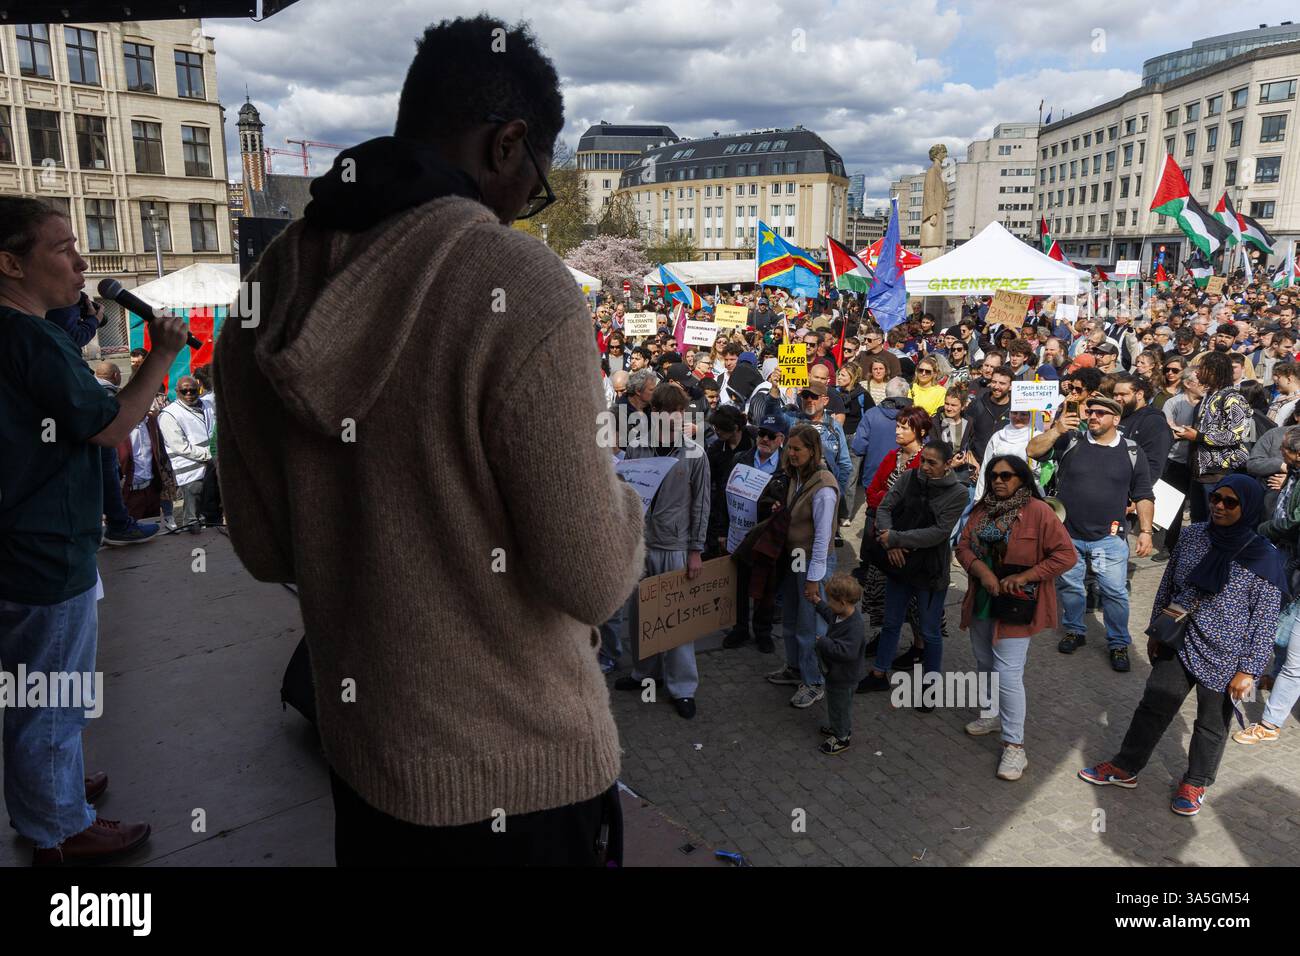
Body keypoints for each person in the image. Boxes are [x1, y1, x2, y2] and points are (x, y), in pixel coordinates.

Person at [214, 16, 644, 866]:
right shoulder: (518, 286)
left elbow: (263, 549)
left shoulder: (267, 289)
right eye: (538, 185)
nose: (526, 207)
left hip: (370, 765)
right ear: (507, 143)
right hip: (526, 782)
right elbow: (591, 578)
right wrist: (622, 499)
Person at [0, 195, 189, 864]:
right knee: (51, 689)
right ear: (11, 263)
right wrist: (160, 357)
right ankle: (59, 825)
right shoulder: (29, 338)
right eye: (63, 248)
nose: (82, 261)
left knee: (35, 684)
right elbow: (110, 425)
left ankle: (49, 790)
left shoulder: (24, 335)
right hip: (46, 549)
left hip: (22, 543)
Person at [1079, 475, 1285, 815]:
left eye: (1230, 502)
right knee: (1153, 706)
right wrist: (1156, 631)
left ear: (1247, 507)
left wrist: (1249, 670)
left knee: (1211, 724)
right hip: (1180, 638)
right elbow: (1168, 585)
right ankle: (1125, 767)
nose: (1219, 506)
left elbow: (1264, 621)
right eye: (1217, 498)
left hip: (1227, 656)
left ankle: (1196, 781)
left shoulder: (1265, 556)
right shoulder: (1192, 536)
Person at [957, 455, 1077, 781]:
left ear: (1022, 479)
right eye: (994, 475)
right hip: (982, 600)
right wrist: (982, 572)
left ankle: (1015, 746)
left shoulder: (1039, 512)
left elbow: (1066, 555)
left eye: (1007, 476)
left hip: (1017, 606)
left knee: (1008, 675)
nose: (999, 480)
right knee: (984, 661)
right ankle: (990, 713)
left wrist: (1026, 577)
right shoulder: (982, 509)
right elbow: (963, 545)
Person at [1026, 395, 1155, 672]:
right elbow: (1033, 450)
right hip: (1068, 535)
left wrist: (1146, 531)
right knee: (1070, 587)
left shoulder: (1132, 451)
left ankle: (1119, 643)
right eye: (1090, 411)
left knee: (1114, 593)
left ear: (1116, 420)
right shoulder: (1071, 440)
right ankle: (1075, 631)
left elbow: (1144, 493)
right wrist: (1057, 429)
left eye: (1101, 412)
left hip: (1110, 539)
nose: (1093, 416)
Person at [615, 384, 710, 719]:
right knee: (642, 616)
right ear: (652, 413)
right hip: (642, 545)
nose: (671, 420)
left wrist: (695, 550)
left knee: (675, 619)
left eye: (677, 414)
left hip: (675, 546)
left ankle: (683, 687)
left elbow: (701, 504)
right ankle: (645, 674)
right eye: (664, 414)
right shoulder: (637, 447)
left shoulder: (694, 452)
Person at [857, 440, 967, 699]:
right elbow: (885, 508)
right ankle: (879, 673)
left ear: (948, 464)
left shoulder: (959, 493)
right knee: (891, 622)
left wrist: (895, 539)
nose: (925, 467)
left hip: (930, 571)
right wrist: (889, 539)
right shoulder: (908, 478)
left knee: (930, 631)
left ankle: (930, 686)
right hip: (899, 565)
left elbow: (939, 533)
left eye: (932, 463)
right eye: (923, 461)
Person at [764, 423, 840, 710]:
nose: (791, 454)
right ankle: (795, 668)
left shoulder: (824, 486)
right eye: (790, 448)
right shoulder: (797, 476)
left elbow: (823, 536)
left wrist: (813, 579)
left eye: (797, 449)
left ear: (812, 450)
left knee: (812, 625)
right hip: (796, 559)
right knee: (793, 618)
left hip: (812, 562)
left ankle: (815, 681)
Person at [1240, 427, 1300, 743]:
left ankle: (1270, 724)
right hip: (1286, 561)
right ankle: (1268, 677)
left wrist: (1263, 530)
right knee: (1276, 631)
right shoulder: (1292, 474)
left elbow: (1289, 522)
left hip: (1292, 563)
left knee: (1291, 654)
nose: (1281, 458)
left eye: (1286, 452)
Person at [721, 411, 787, 654]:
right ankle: (739, 628)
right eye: (762, 433)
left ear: (781, 439)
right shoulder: (741, 459)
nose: (765, 439)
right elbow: (724, 495)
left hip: (769, 537)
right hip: (740, 533)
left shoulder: (786, 468)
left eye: (771, 436)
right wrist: (721, 529)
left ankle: (762, 631)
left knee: (767, 585)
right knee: (739, 583)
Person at [1171, 351, 1249, 523]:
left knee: (1214, 520)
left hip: (1218, 473)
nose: (1197, 373)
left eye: (1202, 368)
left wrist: (1198, 436)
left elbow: (1235, 435)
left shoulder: (1233, 398)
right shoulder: (1208, 396)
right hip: (1199, 471)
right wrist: (1186, 433)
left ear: (1214, 371)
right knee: (1198, 520)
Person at [811, 573, 867, 755]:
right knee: (835, 704)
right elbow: (829, 614)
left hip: (845, 676)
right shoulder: (840, 614)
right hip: (836, 674)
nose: (829, 604)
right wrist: (818, 603)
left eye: (830, 601)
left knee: (840, 706)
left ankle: (842, 736)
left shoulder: (855, 626)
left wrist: (823, 642)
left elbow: (847, 652)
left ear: (842, 602)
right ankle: (837, 726)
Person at [158, 375, 214, 534]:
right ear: (177, 392)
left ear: (199, 389)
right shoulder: (169, 414)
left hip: (213, 469)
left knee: (212, 514)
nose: (189, 393)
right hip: (192, 473)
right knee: (193, 519)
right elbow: (179, 446)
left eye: (192, 390)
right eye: (184, 391)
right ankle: (195, 553)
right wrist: (210, 455)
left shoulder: (208, 405)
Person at [1113, 371, 1173, 487]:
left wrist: (1136, 494)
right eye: (1115, 394)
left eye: (1123, 394)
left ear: (1139, 394)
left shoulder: (1154, 423)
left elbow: (1153, 466)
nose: (1117, 398)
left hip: (1128, 488)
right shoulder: (1118, 415)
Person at [964, 366, 1012, 463]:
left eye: (1002, 383)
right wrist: (970, 457)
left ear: (1010, 386)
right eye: (994, 382)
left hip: (1003, 465)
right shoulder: (977, 405)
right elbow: (964, 435)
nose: (996, 386)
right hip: (976, 464)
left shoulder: (1015, 411)